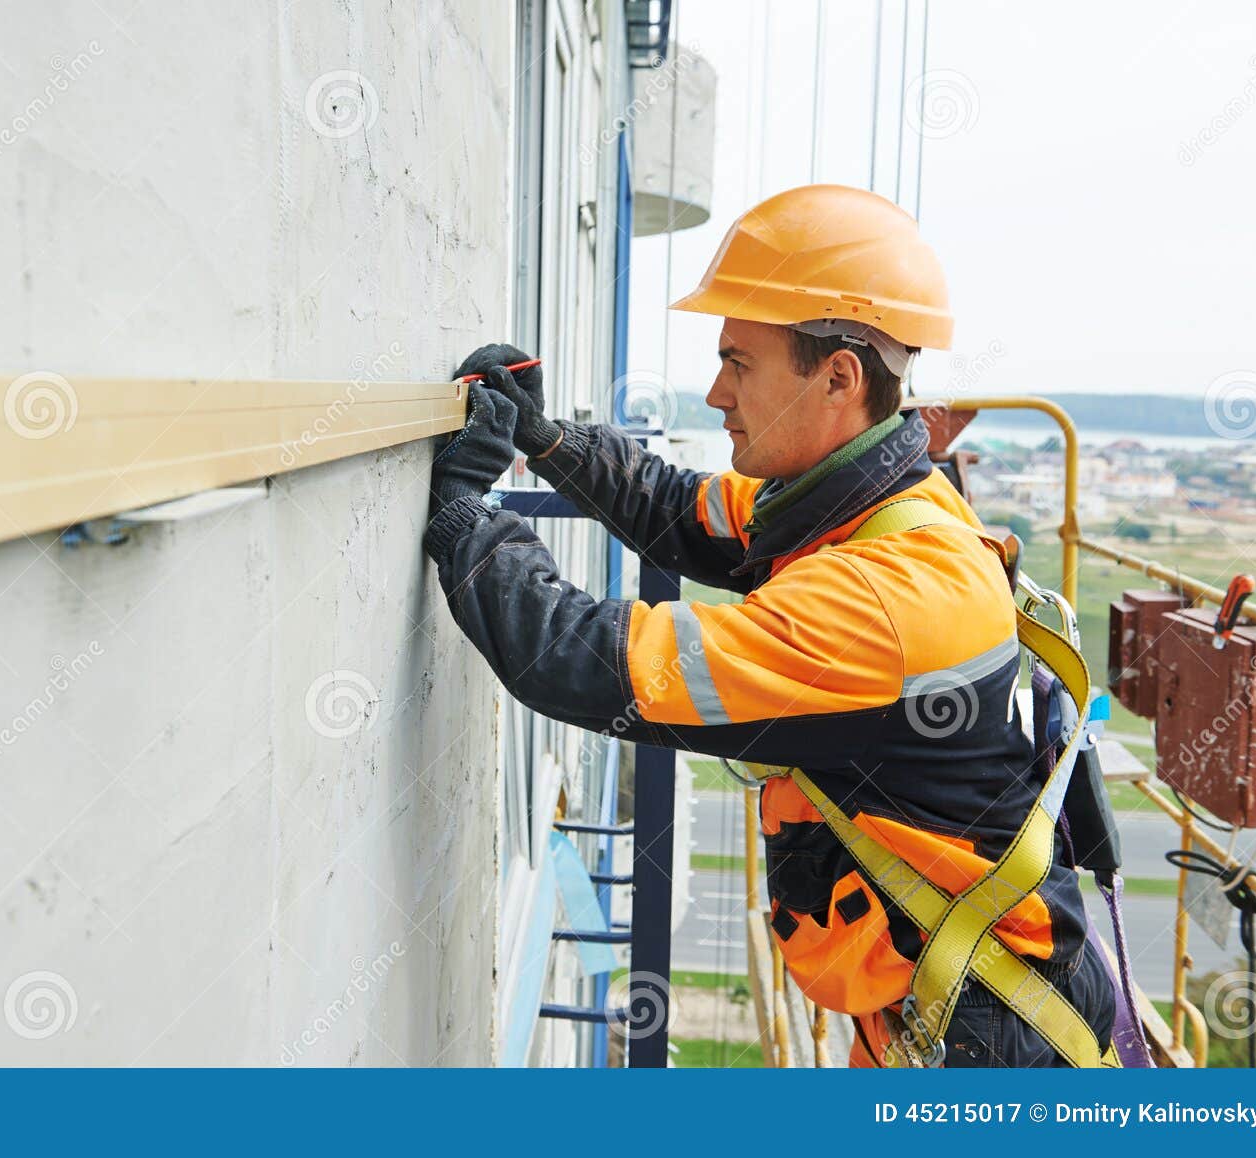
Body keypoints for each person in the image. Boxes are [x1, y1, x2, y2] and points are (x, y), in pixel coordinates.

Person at [422, 184, 1116, 1068]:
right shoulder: (873, 503)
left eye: (738, 364)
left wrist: (465, 516)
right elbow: (681, 511)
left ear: (839, 378)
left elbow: (585, 662)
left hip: (986, 1039)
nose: (717, 394)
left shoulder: (882, 602)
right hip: (957, 995)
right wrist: (547, 438)